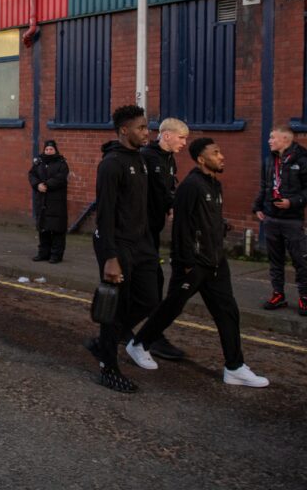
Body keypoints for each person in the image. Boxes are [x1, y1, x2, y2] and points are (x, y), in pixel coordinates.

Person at [126, 138, 270, 388]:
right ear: (202, 159)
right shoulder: (191, 186)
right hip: (193, 264)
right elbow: (181, 227)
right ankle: (139, 344)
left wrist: (220, 228)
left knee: (228, 313)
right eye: (216, 153)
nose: (222, 156)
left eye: (220, 151)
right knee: (171, 307)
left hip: (215, 262)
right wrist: (186, 263)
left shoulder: (214, 185)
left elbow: (206, 220)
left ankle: (234, 367)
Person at [86, 105, 158, 393]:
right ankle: (108, 369)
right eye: (141, 128)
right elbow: (104, 214)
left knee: (150, 299)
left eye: (146, 127)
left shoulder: (139, 160)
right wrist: (110, 257)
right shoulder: (112, 164)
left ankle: (103, 343)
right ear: (124, 130)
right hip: (117, 245)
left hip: (142, 244)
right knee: (114, 308)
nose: (146, 132)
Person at [139, 117, 189, 360]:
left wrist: (171, 204)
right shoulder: (147, 157)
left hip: (152, 231)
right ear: (166, 135)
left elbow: (168, 187)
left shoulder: (168, 158)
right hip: (140, 232)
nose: (184, 143)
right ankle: (152, 337)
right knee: (152, 283)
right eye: (181, 138)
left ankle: (120, 330)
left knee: (145, 283)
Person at [253, 125, 307, 316]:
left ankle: (304, 297)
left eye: (272, 137)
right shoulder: (270, 160)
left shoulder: (302, 159)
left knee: (300, 259)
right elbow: (264, 185)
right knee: (275, 260)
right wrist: (258, 207)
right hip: (271, 217)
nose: (269, 141)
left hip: (292, 219)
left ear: (285, 139)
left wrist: (292, 202)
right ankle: (278, 294)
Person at [28, 140, 69, 263]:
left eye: (51, 149)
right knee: (43, 228)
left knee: (57, 229)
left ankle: (56, 255)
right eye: (46, 149)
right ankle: (43, 254)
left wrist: (46, 185)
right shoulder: (39, 162)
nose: (48, 151)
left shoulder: (62, 163)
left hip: (56, 202)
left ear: (55, 150)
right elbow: (31, 175)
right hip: (42, 201)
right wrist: (37, 185)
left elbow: (61, 178)